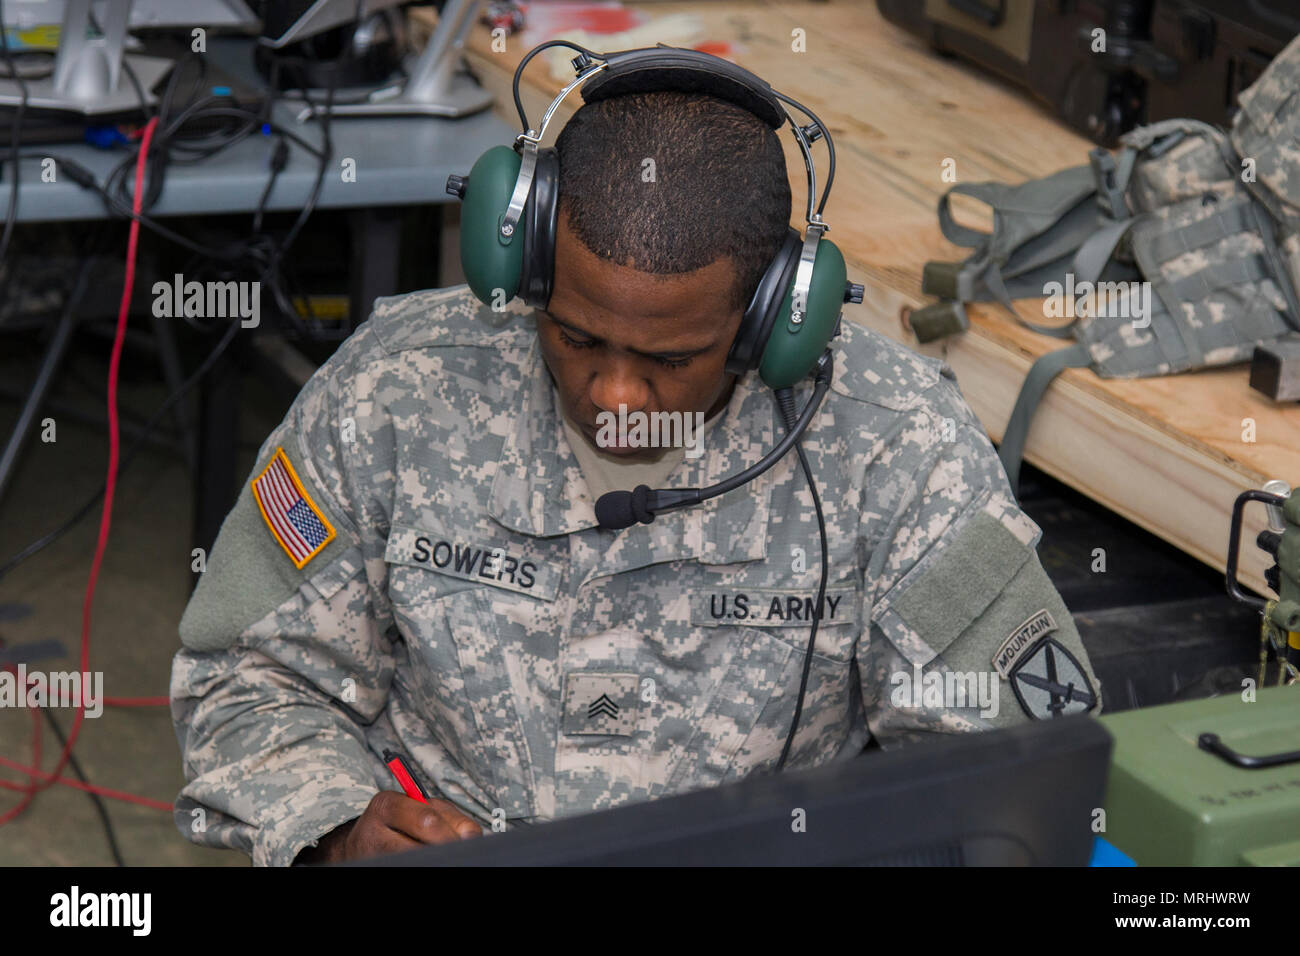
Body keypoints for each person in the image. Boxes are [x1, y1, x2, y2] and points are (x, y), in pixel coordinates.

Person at [170, 89, 1102, 867]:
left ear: (771, 321)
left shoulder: (894, 446)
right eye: (575, 337)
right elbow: (246, 671)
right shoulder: (394, 391)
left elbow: (1017, 774)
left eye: (673, 357)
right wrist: (335, 826)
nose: (613, 392)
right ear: (525, 266)